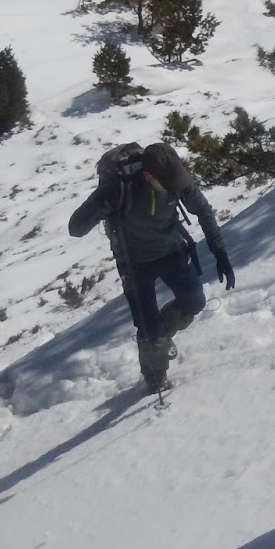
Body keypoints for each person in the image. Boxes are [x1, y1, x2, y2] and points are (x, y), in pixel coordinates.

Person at [68, 142, 235, 392]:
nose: (174, 190)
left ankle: (159, 341)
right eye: (168, 186)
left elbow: (204, 211)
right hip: (133, 263)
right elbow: (76, 228)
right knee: (148, 326)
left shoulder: (176, 180)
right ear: (148, 176)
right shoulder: (119, 189)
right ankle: (155, 376)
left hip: (170, 250)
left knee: (194, 303)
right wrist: (101, 205)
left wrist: (220, 252)